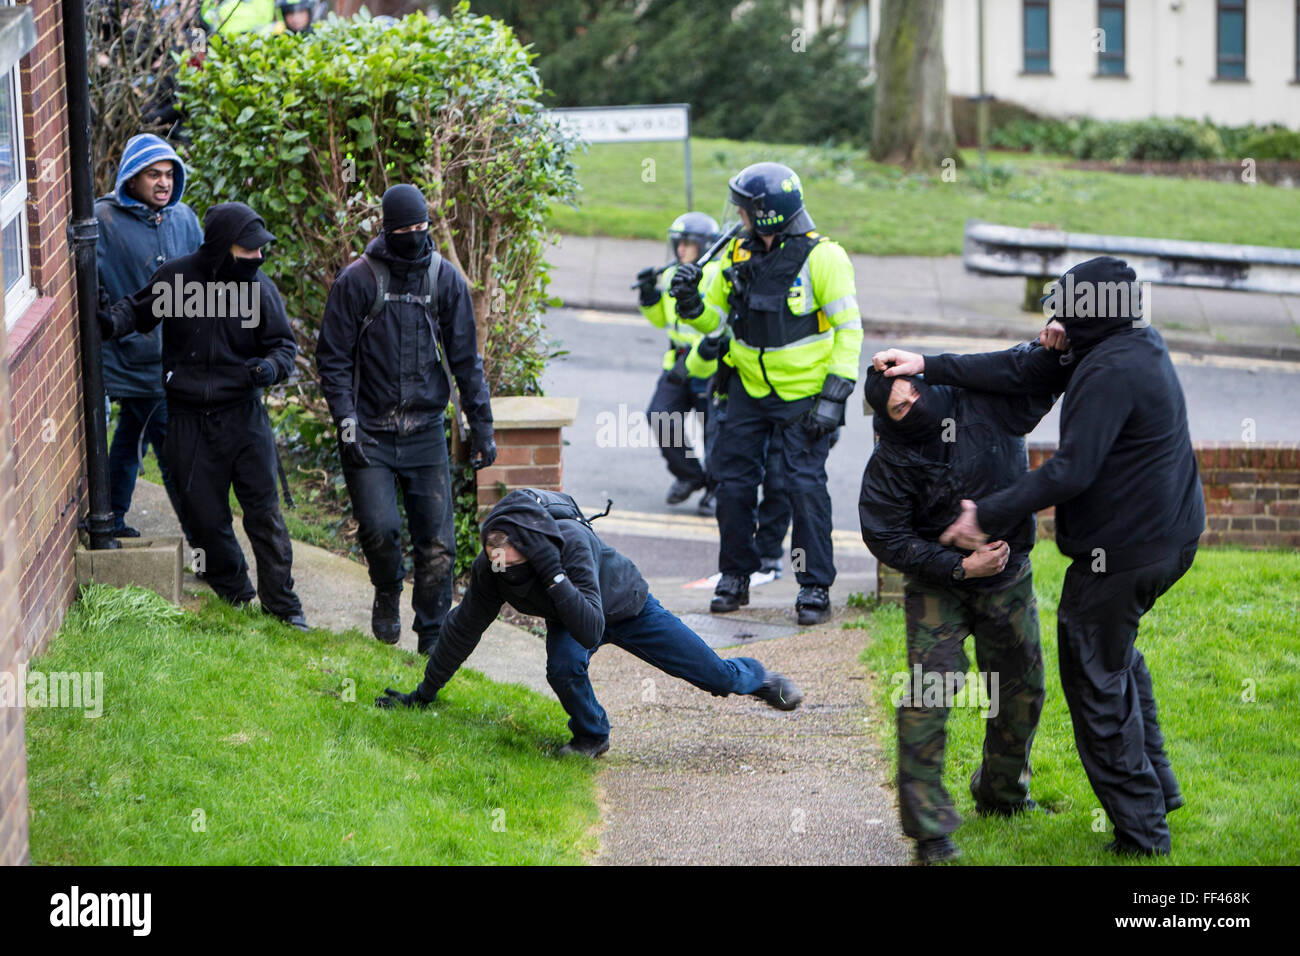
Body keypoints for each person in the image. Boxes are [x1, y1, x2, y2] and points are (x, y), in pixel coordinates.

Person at [876, 256, 1204, 857]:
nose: (1056, 322)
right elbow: (1018, 366)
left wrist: (984, 515)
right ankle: (1154, 796)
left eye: (1068, 313)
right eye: (899, 405)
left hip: (1119, 553)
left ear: (1091, 319)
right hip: (1156, 540)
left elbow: (1068, 467)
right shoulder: (1129, 343)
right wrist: (931, 362)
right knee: (1106, 662)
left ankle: (1140, 834)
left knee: (1088, 682)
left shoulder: (1101, 370)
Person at [375, 489, 804, 756]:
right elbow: (462, 629)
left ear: (531, 546)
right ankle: (592, 735)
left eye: (510, 561)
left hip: (628, 607)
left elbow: (593, 626)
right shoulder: (493, 569)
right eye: (494, 560)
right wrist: (422, 694)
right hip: (575, 617)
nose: (502, 568)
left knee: (715, 676)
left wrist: (552, 573)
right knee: (563, 666)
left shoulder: (572, 543)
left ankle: (759, 678)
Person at [858, 343, 1071, 864]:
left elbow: (1039, 372)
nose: (915, 406)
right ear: (887, 418)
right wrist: (958, 567)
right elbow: (885, 536)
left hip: (1007, 573)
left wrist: (1063, 331)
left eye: (916, 393)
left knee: (1022, 688)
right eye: (901, 407)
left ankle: (1002, 794)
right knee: (927, 695)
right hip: (940, 585)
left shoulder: (982, 400)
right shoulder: (891, 460)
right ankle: (929, 831)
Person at [101, 202, 308, 631]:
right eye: (248, 249)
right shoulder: (176, 280)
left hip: (244, 417)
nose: (258, 257)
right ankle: (236, 594)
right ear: (221, 247)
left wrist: (270, 369)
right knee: (204, 518)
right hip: (188, 420)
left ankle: (284, 608)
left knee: (265, 516)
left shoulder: (259, 289)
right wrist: (107, 322)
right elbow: (136, 311)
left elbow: (284, 347)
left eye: (261, 250)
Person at [671, 162, 861, 625]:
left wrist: (834, 397)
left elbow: (849, 330)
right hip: (746, 390)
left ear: (767, 213)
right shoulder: (736, 253)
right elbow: (715, 319)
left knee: (803, 488)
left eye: (743, 208)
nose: (737, 214)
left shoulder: (824, 258)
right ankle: (735, 576)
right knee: (732, 484)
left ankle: (814, 586)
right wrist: (692, 302)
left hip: (805, 397)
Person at [317, 184, 495, 653]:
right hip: (369, 432)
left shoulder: (444, 280)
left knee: (438, 546)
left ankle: (432, 636)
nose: (415, 236)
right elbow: (332, 359)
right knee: (380, 530)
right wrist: (346, 421)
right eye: (405, 229)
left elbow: (466, 361)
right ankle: (386, 590)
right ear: (387, 229)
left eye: (422, 227)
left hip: (425, 431)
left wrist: (482, 427)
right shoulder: (357, 280)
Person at [96, 133, 201, 540]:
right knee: (174, 449)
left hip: (179, 357)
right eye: (153, 175)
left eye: (170, 174)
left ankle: (109, 517)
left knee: (132, 434)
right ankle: (203, 539)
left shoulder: (184, 219)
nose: (164, 183)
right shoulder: (104, 220)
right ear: (132, 178)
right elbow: (88, 282)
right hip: (132, 358)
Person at [634, 212, 721, 515]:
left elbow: (718, 325)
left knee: (716, 433)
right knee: (661, 416)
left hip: (711, 365)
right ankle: (689, 475)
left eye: (688, 244)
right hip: (678, 362)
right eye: (678, 243)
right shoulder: (674, 273)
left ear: (705, 245)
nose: (680, 249)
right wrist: (649, 295)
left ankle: (717, 489)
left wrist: (694, 361)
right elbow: (664, 320)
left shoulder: (715, 275)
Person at [685, 333, 791, 578]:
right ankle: (737, 573)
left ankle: (768, 554)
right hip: (739, 396)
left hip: (792, 398)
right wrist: (708, 344)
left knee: (779, 482)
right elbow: (702, 357)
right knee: (734, 485)